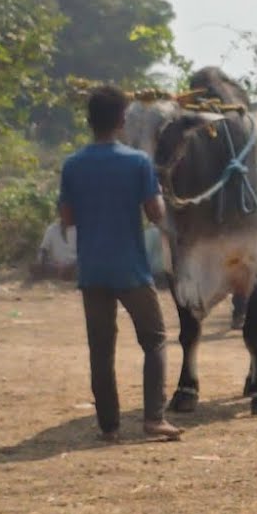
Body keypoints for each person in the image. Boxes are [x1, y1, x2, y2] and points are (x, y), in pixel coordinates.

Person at [58, 85, 180, 442]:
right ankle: (154, 419)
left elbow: (67, 217)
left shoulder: (73, 164)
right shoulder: (138, 162)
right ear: (122, 121)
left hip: (92, 269)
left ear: (89, 120)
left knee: (101, 347)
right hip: (131, 269)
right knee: (155, 339)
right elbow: (155, 213)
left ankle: (109, 425)